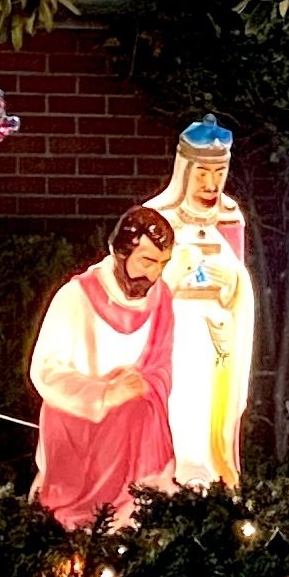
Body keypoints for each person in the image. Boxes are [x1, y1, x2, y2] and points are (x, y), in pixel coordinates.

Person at [31, 208, 180, 525]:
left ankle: (132, 514)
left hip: (136, 420)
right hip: (78, 420)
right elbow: (46, 370)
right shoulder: (76, 296)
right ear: (121, 253)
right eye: (147, 261)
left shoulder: (161, 298)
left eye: (162, 265)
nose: (154, 275)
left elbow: (161, 366)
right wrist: (103, 394)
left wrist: (144, 385)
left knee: (137, 412)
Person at [143, 119, 255, 489]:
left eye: (219, 173)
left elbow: (240, 281)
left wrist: (234, 283)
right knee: (175, 405)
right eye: (202, 173)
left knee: (212, 411)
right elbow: (139, 281)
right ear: (185, 170)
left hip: (217, 336)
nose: (211, 185)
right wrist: (172, 278)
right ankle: (165, 477)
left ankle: (208, 479)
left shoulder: (229, 216)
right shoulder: (158, 216)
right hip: (171, 332)